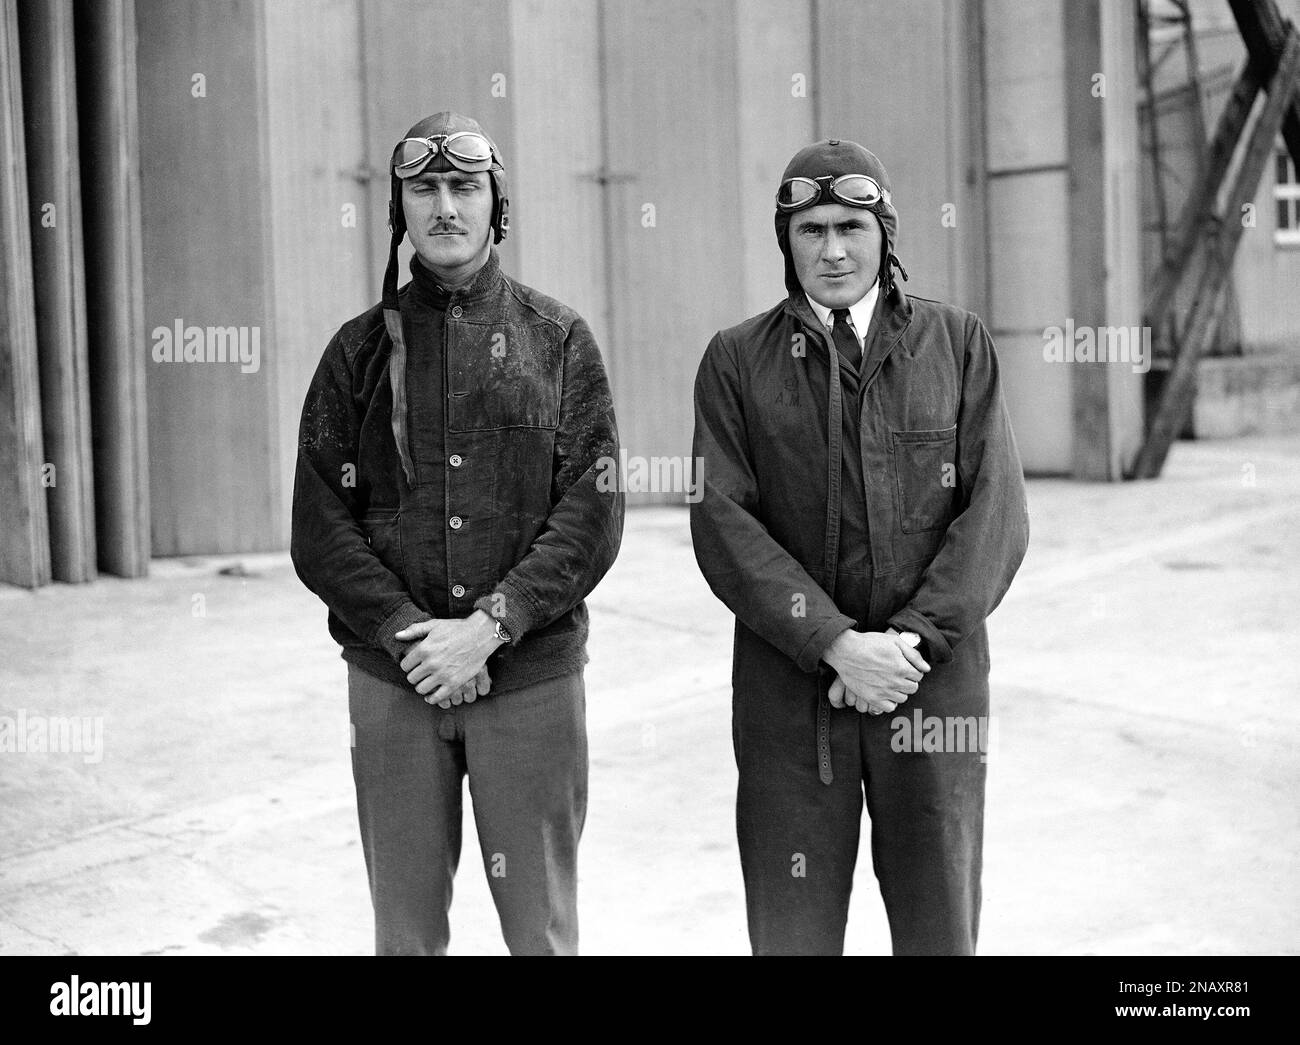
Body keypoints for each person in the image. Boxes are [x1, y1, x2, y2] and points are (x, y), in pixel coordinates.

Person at [291, 111, 623, 956]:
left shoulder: (559, 340)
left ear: (496, 204)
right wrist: (416, 640)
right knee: (404, 936)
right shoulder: (356, 353)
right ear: (400, 206)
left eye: (464, 187)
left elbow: (593, 509)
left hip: (530, 680)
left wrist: (490, 627)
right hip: (395, 684)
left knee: (540, 932)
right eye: (426, 188)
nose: (445, 206)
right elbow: (320, 526)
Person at [690, 138, 1028, 956]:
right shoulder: (736, 361)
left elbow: (996, 514)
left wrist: (909, 644)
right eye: (811, 230)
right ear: (786, 242)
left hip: (930, 687)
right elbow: (724, 525)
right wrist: (836, 644)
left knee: (938, 925)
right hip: (791, 692)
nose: (833, 249)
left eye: (851, 226)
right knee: (792, 928)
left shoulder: (956, 343)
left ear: (886, 234)